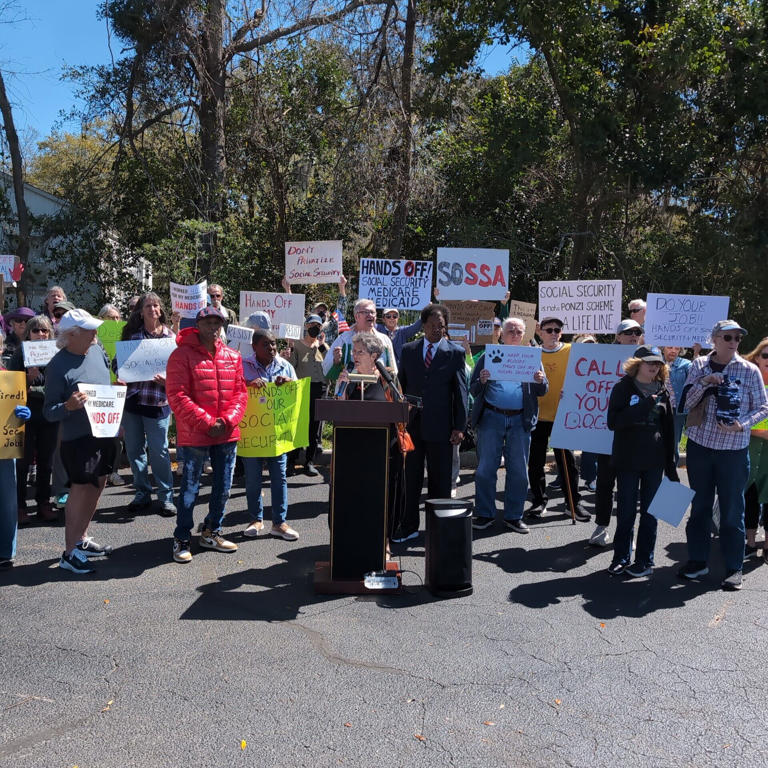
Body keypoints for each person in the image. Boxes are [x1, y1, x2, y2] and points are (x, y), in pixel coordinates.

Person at [678, 320, 768, 590]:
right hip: (701, 446)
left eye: (737, 338)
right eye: (728, 337)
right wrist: (705, 383)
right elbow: (686, 402)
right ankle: (698, 561)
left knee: (732, 510)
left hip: (733, 450)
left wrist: (742, 424)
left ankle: (733, 567)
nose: (733, 342)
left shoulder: (749, 370)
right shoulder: (699, 365)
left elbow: (763, 407)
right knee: (700, 506)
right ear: (714, 339)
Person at [166, 306, 248, 564]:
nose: (213, 328)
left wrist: (228, 420)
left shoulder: (233, 356)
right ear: (198, 325)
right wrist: (207, 422)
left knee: (223, 488)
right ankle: (182, 537)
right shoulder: (181, 355)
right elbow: (177, 395)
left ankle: (212, 531)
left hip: (226, 432)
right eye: (208, 323)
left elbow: (240, 394)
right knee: (189, 490)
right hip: (196, 434)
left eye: (217, 323)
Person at [43, 309, 117, 574]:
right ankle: (69, 552)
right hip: (77, 438)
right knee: (81, 488)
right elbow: (48, 412)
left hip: (104, 431)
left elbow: (105, 383)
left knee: (99, 482)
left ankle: (81, 539)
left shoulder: (96, 350)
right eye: (89, 330)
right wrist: (68, 406)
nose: (95, 333)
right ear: (71, 335)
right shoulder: (57, 366)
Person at [397, 303, 468, 542]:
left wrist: (459, 427)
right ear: (423, 325)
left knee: (440, 481)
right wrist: (400, 416)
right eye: (433, 325)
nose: (437, 329)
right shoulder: (409, 350)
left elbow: (460, 392)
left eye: (441, 326)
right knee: (411, 479)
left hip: (442, 428)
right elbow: (401, 386)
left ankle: (439, 530)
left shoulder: (455, 352)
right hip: (412, 427)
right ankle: (408, 527)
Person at [470, 317, 548, 532]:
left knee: (519, 471)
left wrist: (540, 380)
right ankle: (484, 513)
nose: (514, 334)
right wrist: (482, 380)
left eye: (518, 331)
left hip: (520, 419)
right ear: (502, 334)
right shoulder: (487, 356)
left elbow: (543, 390)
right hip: (491, 417)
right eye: (510, 331)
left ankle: (514, 516)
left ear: (524, 335)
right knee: (486, 468)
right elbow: (473, 389)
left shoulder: (531, 357)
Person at [606, 346, 678, 577]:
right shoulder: (622, 387)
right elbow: (613, 422)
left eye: (658, 363)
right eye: (649, 362)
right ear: (637, 364)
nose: (654, 366)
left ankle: (645, 560)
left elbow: (668, 428)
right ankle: (621, 557)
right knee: (626, 512)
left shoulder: (663, 389)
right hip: (627, 460)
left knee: (650, 513)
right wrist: (644, 406)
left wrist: (671, 463)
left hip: (654, 461)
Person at [336, 332, 407, 538]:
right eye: (354, 351)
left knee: (383, 496)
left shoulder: (387, 378)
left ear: (374, 356)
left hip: (383, 450)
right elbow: (337, 411)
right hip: (354, 450)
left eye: (360, 352)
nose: (354, 356)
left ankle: (385, 540)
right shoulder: (349, 378)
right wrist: (341, 389)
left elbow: (401, 408)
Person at [588, 319, 646, 546]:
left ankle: (626, 532)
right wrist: (571, 393)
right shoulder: (602, 357)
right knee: (604, 483)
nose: (633, 336)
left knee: (628, 488)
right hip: (605, 435)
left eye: (637, 332)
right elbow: (584, 384)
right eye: (628, 332)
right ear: (618, 337)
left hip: (633, 437)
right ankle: (601, 526)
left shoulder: (647, 361)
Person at [527, 317, 589, 521]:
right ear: (540, 332)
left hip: (564, 415)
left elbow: (586, 372)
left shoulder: (571, 350)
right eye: (549, 330)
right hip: (538, 415)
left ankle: (572, 503)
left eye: (557, 330)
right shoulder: (531, 354)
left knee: (568, 462)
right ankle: (538, 501)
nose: (554, 333)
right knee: (536, 462)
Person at [241, 328, 300, 541]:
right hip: (253, 434)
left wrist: (289, 384)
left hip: (277, 434)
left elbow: (297, 394)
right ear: (254, 346)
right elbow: (233, 391)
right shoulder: (243, 366)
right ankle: (255, 520)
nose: (271, 347)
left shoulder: (286, 366)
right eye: (265, 344)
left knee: (279, 478)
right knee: (253, 479)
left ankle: (279, 523)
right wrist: (248, 385)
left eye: (273, 343)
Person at [120, 293, 176, 516]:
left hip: (158, 402)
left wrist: (169, 380)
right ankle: (142, 493)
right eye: (148, 306)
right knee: (134, 450)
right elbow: (118, 364)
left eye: (156, 305)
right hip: (133, 401)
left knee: (159, 451)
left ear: (160, 310)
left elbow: (180, 370)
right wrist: (121, 374)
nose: (153, 309)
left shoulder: (170, 337)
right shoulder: (132, 337)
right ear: (141, 312)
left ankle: (166, 497)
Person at [8, 315, 59, 525]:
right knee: (23, 463)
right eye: (36, 330)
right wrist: (28, 380)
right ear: (28, 333)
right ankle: (20, 506)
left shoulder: (56, 355)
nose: (40, 334)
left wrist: (37, 387)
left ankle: (43, 503)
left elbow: (59, 384)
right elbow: (10, 387)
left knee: (47, 462)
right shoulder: (20, 354)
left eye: (45, 330)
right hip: (26, 415)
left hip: (49, 413)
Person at [0, 326, 33, 567]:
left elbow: (13, 406)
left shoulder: (8, 377)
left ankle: (4, 551)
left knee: (6, 499)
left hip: (4, 446)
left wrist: (23, 413)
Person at [287, 314, 328, 477]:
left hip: (320, 389)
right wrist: (289, 350)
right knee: (299, 425)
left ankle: (309, 462)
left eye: (318, 326)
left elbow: (330, 365)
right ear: (306, 326)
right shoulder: (297, 345)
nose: (314, 328)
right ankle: (291, 461)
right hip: (302, 388)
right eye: (312, 325)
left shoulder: (323, 346)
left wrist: (323, 346)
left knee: (315, 427)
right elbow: (291, 366)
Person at [738, 338, 768, 560]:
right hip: (749, 446)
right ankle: (749, 542)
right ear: (757, 357)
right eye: (766, 355)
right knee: (750, 495)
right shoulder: (747, 382)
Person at [323, 298, 397, 379]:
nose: (370, 315)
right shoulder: (343, 340)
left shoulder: (384, 341)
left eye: (372, 312)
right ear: (356, 316)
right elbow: (327, 372)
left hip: (378, 386)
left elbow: (393, 372)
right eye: (366, 312)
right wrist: (336, 362)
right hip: (349, 386)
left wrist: (380, 372)